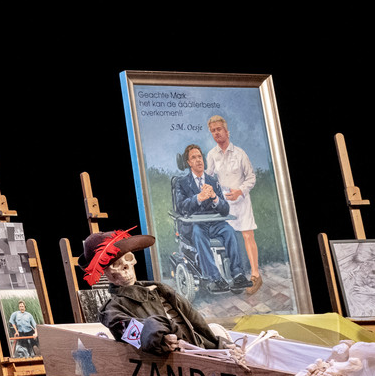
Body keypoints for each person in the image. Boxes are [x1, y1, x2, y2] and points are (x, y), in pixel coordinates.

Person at [79, 229, 230, 356]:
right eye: (116, 264)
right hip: (176, 364)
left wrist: (221, 347)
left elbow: (196, 322)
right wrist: (158, 338)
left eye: (128, 258)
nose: (125, 266)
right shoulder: (112, 310)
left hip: (202, 354)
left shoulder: (160, 290)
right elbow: (133, 333)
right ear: (106, 272)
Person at [173, 144, 250, 293]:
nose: (198, 160)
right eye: (194, 158)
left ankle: (238, 274)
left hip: (214, 223)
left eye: (200, 157)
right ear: (188, 162)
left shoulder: (213, 181)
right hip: (195, 225)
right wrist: (199, 198)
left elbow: (225, 209)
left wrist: (215, 198)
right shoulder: (181, 183)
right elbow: (182, 207)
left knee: (229, 231)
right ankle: (215, 279)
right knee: (198, 233)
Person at [205, 114, 262, 294]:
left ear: (227, 131)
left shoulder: (240, 153)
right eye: (213, 131)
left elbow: (251, 177)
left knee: (247, 236)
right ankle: (235, 276)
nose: (216, 133)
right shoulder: (212, 155)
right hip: (223, 203)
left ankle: (255, 275)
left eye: (219, 129)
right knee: (226, 237)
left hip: (242, 201)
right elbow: (208, 176)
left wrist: (240, 190)